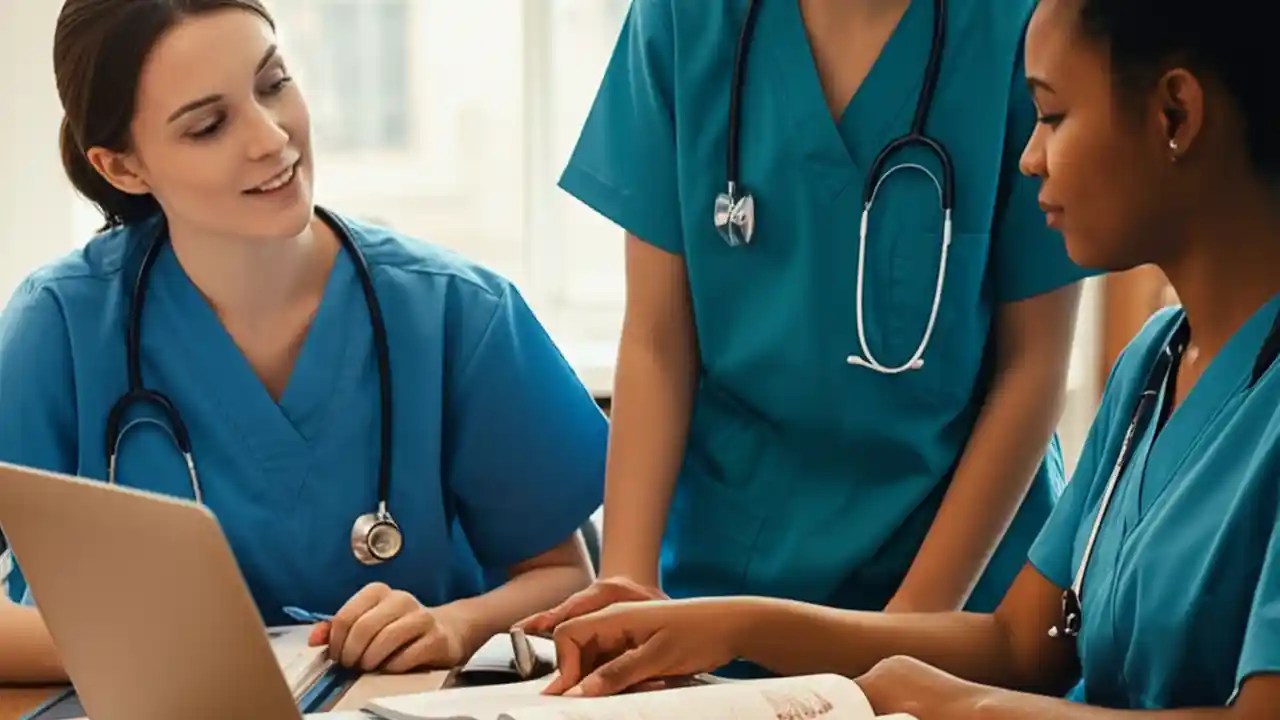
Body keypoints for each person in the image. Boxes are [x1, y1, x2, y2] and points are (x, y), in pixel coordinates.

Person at [524, 0, 1280, 713]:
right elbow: (1023, 643)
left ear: (1175, 115)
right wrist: (735, 625)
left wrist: (947, 701)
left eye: (1051, 115)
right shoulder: (1152, 369)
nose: (1027, 159)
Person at [0, 0, 605, 684]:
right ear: (122, 168)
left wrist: (454, 625)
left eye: (272, 83)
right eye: (208, 125)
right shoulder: (57, 329)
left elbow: (563, 580)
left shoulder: (455, 312)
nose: (270, 137)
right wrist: (163, 649)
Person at [522, 0, 1092, 664]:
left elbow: (1034, 367)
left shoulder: (1022, 26)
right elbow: (657, 339)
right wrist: (627, 581)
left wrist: (907, 631)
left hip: (958, 590)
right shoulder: (684, 18)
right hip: (720, 590)